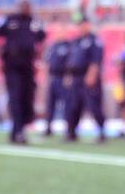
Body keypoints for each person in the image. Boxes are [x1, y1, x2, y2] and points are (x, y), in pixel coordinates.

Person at [0, 0, 45, 144]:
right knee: (15, 97)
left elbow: (42, 41)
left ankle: (16, 130)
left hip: (28, 66)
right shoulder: (9, 20)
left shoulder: (35, 22)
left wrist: (38, 60)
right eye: (23, 5)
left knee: (26, 98)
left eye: (28, 6)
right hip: (12, 65)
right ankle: (19, 132)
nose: (26, 8)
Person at [65, 15, 105, 144]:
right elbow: (71, 60)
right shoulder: (76, 41)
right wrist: (69, 75)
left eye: (82, 24)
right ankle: (72, 132)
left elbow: (95, 60)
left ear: (88, 24)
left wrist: (91, 75)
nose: (80, 27)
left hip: (87, 76)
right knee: (74, 106)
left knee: (94, 105)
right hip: (76, 77)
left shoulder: (94, 40)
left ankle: (101, 132)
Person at [43, 37, 71, 136]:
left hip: (62, 78)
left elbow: (70, 63)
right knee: (50, 105)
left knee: (66, 104)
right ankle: (48, 127)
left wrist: (67, 76)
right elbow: (47, 63)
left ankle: (69, 129)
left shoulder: (68, 46)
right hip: (53, 78)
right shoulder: (53, 46)